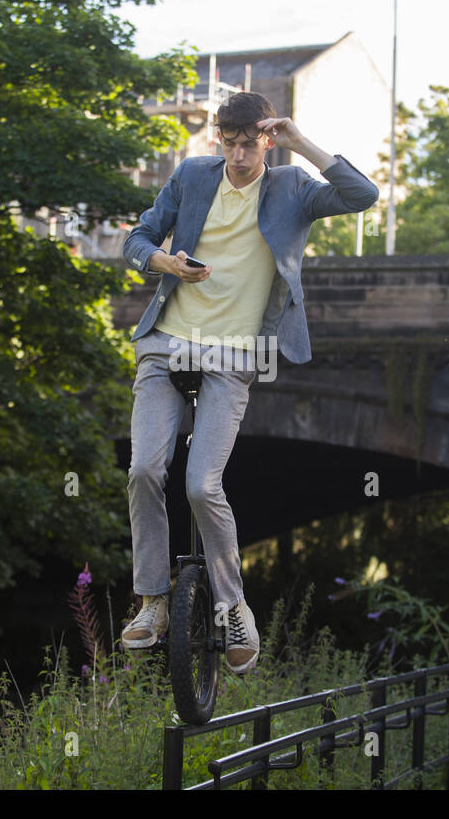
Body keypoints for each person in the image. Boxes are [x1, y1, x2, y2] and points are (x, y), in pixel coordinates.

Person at [120, 91, 379, 674]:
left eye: (250, 143)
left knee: (202, 485)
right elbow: (135, 240)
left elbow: (364, 195)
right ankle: (152, 602)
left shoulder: (291, 187)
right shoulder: (191, 175)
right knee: (143, 470)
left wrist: (300, 141)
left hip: (239, 352)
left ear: (267, 139)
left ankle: (234, 606)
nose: (238, 156)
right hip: (166, 342)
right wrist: (167, 263)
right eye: (229, 142)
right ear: (218, 138)